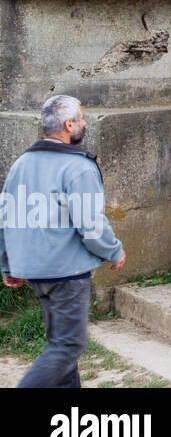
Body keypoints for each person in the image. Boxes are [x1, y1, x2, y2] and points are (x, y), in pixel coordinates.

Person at [0, 95, 125, 388]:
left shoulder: (21, 164)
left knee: (61, 347)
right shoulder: (78, 167)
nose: (83, 123)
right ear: (69, 125)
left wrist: (9, 265)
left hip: (36, 273)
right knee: (68, 346)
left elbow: (5, 218)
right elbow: (91, 226)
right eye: (80, 119)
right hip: (67, 274)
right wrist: (114, 251)